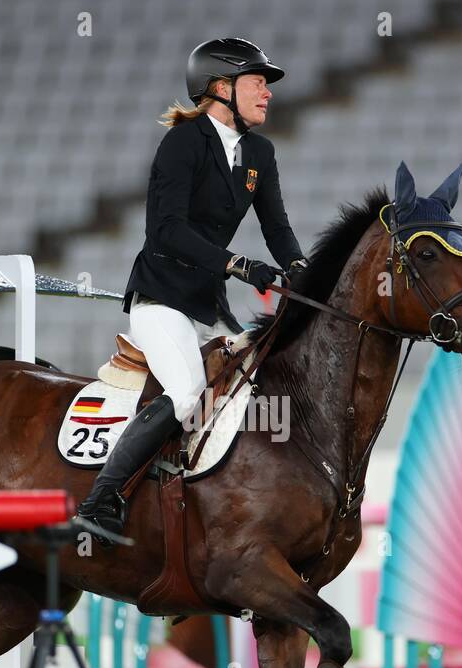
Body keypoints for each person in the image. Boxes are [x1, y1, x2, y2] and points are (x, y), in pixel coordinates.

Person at [75, 37, 309, 544]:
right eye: (258, 83)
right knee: (186, 395)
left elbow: (278, 226)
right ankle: (102, 499)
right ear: (220, 88)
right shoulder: (183, 143)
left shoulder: (260, 154)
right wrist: (238, 265)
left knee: (250, 395)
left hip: (208, 307)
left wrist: (299, 267)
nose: (267, 93)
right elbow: (168, 231)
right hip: (160, 299)